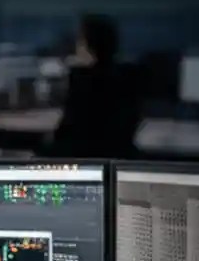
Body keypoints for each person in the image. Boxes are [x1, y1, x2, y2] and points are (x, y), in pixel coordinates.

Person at [51, 14, 142, 158]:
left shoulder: (83, 81)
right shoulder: (129, 78)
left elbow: (69, 130)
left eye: (79, 42)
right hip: (120, 156)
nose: (76, 48)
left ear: (89, 46)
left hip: (86, 158)